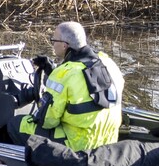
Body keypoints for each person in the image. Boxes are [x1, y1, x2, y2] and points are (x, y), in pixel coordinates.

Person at [20, 21, 125, 153]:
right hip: (107, 142)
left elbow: (47, 121)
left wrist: (40, 101)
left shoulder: (65, 74)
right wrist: (52, 71)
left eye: (53, 40)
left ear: (64, 45)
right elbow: (89, 86)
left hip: (79, 145)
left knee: (17, 124)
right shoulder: (108, 63)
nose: (52, 44)